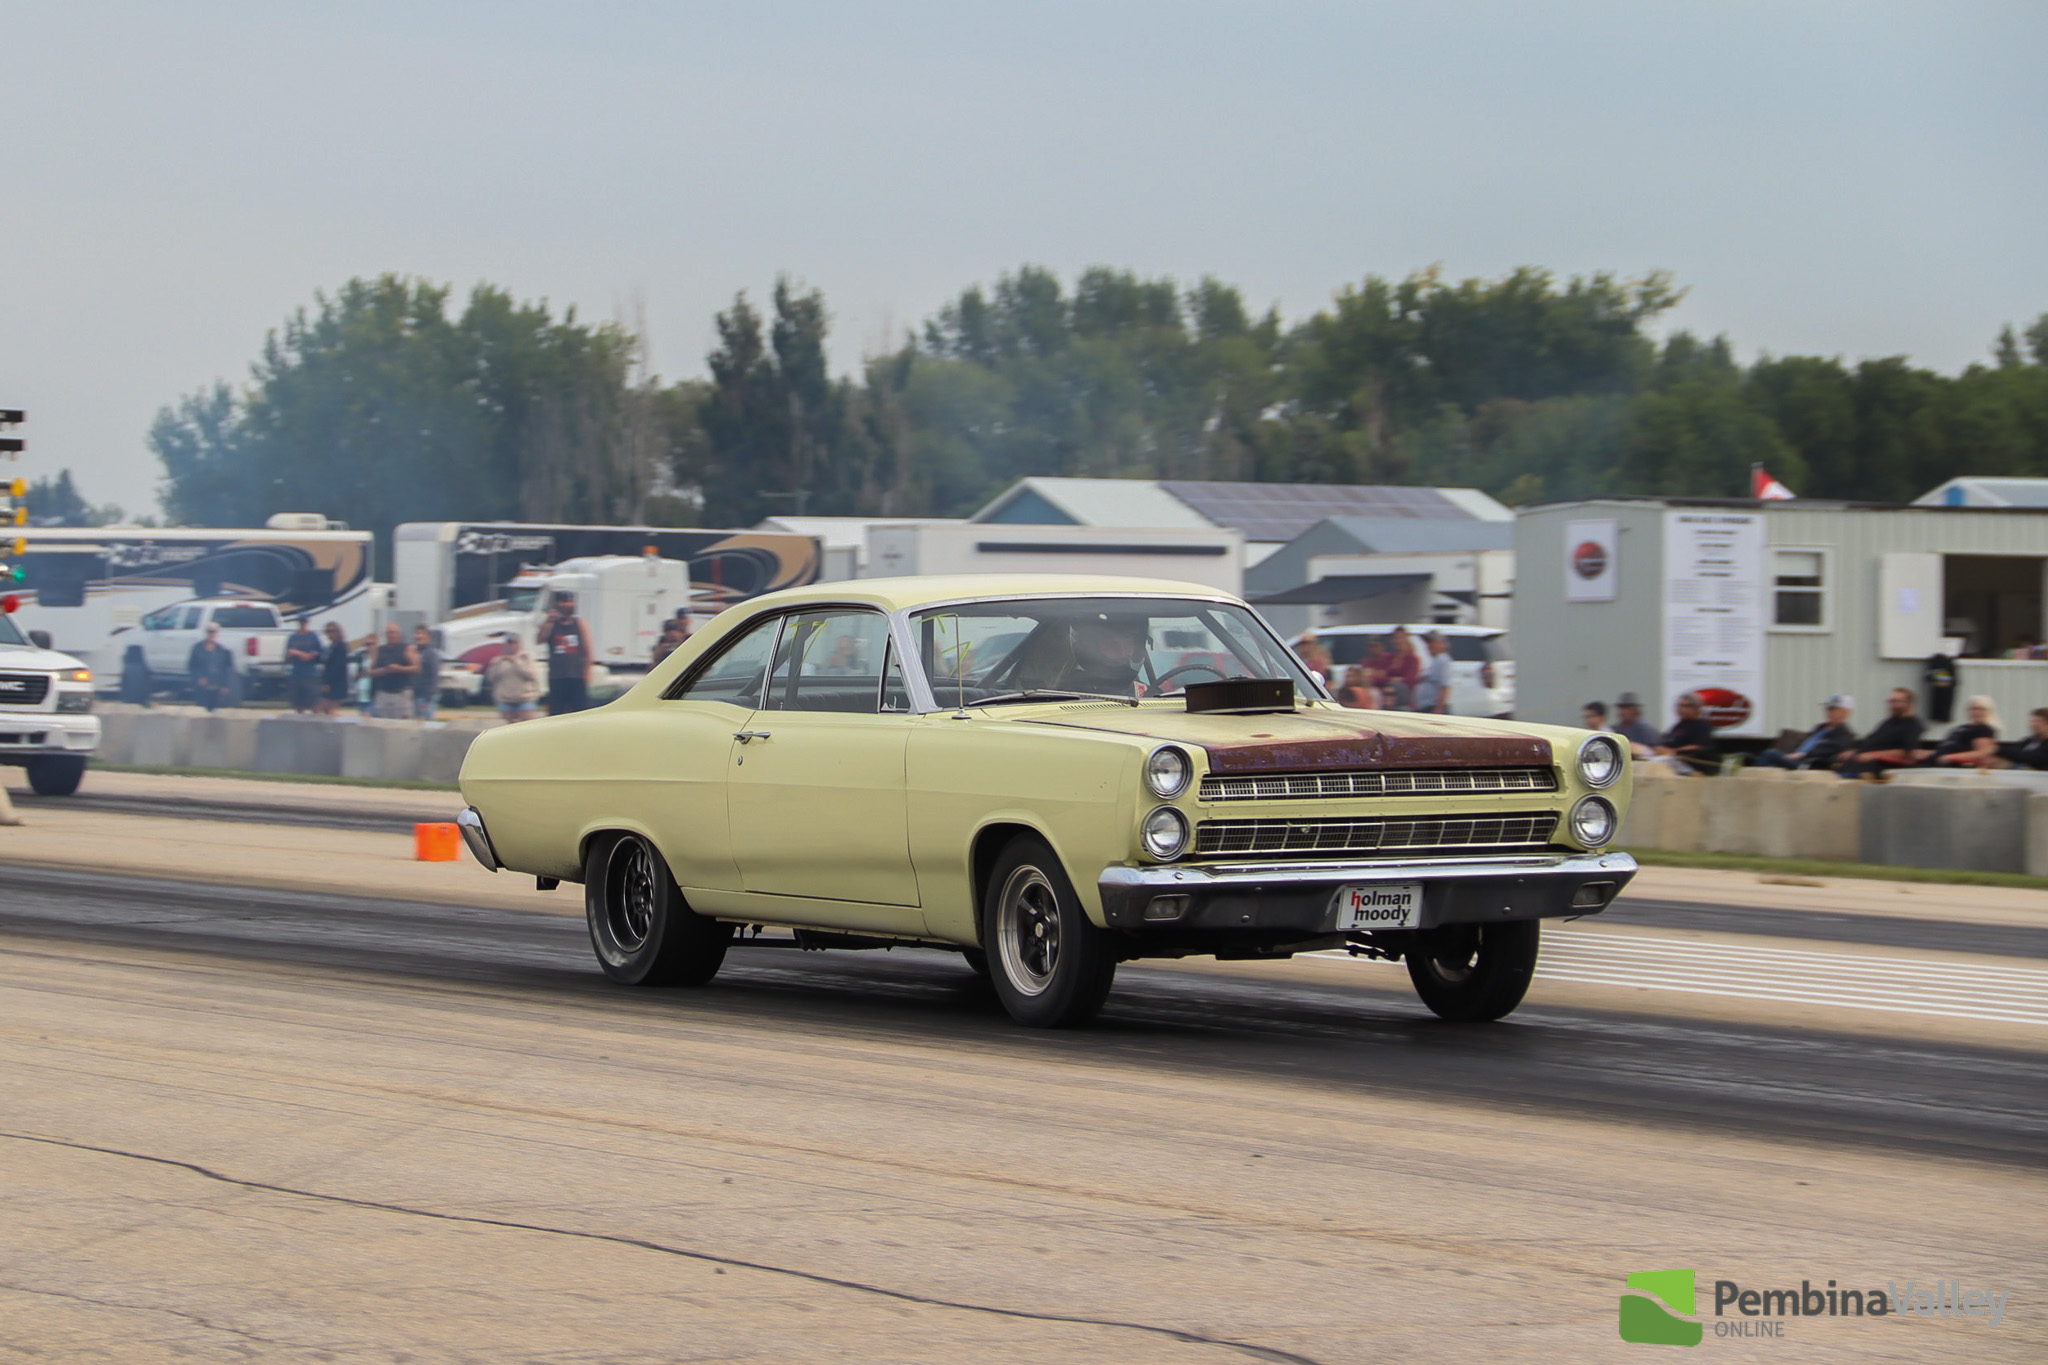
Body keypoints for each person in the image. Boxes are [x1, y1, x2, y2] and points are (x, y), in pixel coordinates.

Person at [1836, 688, 1926, 779]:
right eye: (1890, 701)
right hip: (1860, 762)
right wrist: (1854, 752)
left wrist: (1873, 755)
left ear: (1909, 704)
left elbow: (1907, 753)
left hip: (1880, 767)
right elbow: (1871, 742)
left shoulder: (1912, 725)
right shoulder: (1887, 723)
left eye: (1896, 701)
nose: (1892, 705)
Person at [1754, 695, 1858, 770]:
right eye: (1828, 709)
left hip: (1809, 764)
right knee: (1760, 758)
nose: (1829, 712)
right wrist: (1792, 754)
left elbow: (1827, 751)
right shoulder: (1819, 728)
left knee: (1770, 754)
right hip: (1795, 759)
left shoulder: (1844, 734)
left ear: (1844, 713)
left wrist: (1801, 755)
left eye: (1833, 709)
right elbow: (1802, 743)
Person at [1058, 613, 1149, 693]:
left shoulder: (1139, 688)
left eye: (1128, 645)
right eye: (1112, 645)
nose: (1122, 652)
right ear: (1093, 647)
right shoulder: (1073, 689)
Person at [537, 591, 592, 714]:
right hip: (557, 677)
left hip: (576, 677)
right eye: (562, 602)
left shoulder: (581, 624)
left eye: (569, 602)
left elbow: (588, 651)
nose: (565, 605)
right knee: (556, 712)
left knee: (579, 712)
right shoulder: (551, 624)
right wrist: (548, 622)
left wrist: (587, 674)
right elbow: (540, 640)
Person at [1911, 695, 1999, 767]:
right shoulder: (1961, 728)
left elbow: (1982, 753)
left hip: (1952, 767)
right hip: (1934, 762)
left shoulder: (1984, 730)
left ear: (1988, 711)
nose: (1976, 712)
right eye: (1973, 709)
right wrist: (1928, 753)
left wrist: (1951, 757)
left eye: (1980, 709)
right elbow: (1946, 749)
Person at [1645, 692, 1716, 774]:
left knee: (1654, 764)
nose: (1681, 709)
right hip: (1671, 759)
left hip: (1690, 763)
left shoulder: (1703, 726)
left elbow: (1698, 747)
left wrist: (1673, 751)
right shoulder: (1679, 725)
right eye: (1679, 706)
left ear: (1696, 708)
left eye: (1685, 706)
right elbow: (1668, 740)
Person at [485, 633, 542, 723]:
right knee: (511, 726)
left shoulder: (526, 658)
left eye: (514, 643)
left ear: (519, 644)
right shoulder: (498, 660)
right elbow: (492, 677)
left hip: (525, 698)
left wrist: (515, 661)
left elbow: (531, 675)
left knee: (528, 724)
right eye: (509, 643)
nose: (511, 646)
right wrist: (499, 661)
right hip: (505, 699)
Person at [366, 622, 418, 720]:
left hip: (402, 693)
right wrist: (383, 671)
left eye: (394, 633)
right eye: (389, 633)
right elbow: (371, 671)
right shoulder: (379, 650)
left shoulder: (407, 649)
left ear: (399, 634)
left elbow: (416, 668)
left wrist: (399, 669)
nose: (392, 635)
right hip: (384, 693)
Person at [187, 623, 237, 711]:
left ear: (217, 633)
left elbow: (228, 669)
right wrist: (199, 678)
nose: (211, 634)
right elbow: (192, 666)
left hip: (218, 687)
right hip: (202, 688)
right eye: (209, 631)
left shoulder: (223, 650)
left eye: (214, 632)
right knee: (201, 710)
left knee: (217, 711)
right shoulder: (197, 648)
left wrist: (226, 685)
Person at [284, 615, 324, 714]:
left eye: (305, 622)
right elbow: (288, 653)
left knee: (314, 702)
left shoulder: (313, 636)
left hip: (310, 674)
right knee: (299, 703)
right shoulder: (293, 637)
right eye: (301, 622)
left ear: (308, 623)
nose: (303, 624)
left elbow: (320, 652)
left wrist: (311, 655)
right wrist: (298, 654)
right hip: (297, 674)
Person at [1412, 632, 1452, 714]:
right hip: (1427, 708)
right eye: (1427, 642)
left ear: (1441, 644)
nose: (1429, 645)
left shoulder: (1443, 660)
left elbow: (1445, 687)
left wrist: (1438, 710)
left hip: (1434, 709)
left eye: (1432, 642)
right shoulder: (1435, 660)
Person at [1381, 627, 1420, 709]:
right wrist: (1394, 680)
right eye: (1395, 638)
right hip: (1386, 701)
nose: (1398, 641)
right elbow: (1378, 678)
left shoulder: (1412, 659)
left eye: (1400, 638)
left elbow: (1409, 681)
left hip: (1404, 702)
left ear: (1406, 639)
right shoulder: (1388, 658)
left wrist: (1387, 678)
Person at [319, 621, 352, 715]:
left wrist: (328, 682)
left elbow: (337, 666)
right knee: (325, 710)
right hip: (329, 681)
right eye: (328, 632)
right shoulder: (331, 647)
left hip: (336, 683)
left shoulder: (341, 646)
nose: (330, 634)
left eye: (332, 631)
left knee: (329, 709)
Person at [411, 624, 442, 721]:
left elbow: (433, 676)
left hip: (425, 697)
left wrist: (427, 699)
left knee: (426, 724)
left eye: (422, 634)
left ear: (428, 637)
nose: (419, 636)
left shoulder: (430, 653)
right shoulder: (414, 652)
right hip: (415, 695)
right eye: (417, 633)